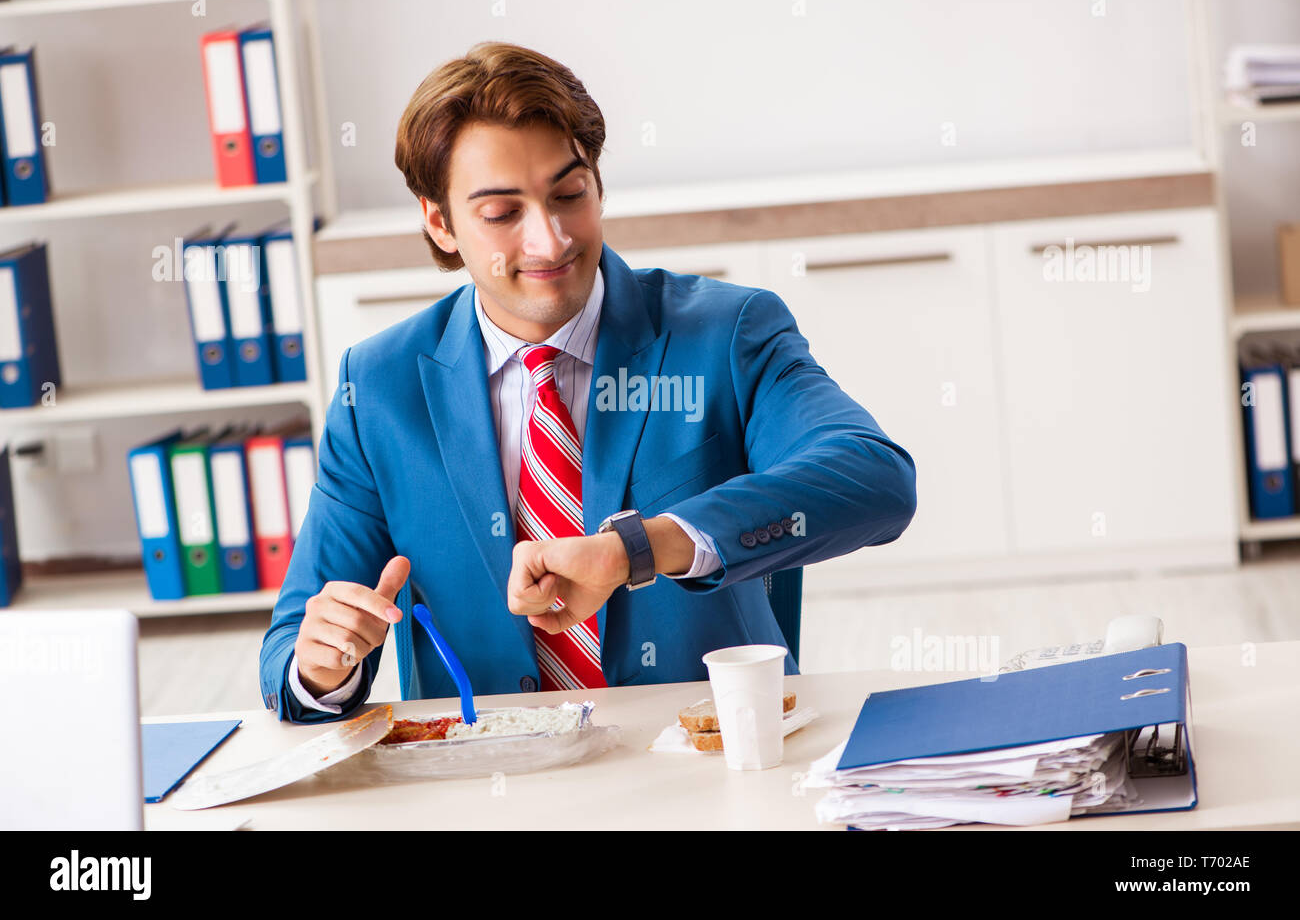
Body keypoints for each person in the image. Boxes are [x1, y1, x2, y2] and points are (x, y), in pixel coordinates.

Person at [258, 41, 917, 723]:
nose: (550, 240)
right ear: (440, 221)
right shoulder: (381, 389)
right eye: (501, 214)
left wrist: (638, 547)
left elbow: (877, 479)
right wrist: (320, 667)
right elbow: (286, 658)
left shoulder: (725, 333)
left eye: (568, 194)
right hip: (492, 785)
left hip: (704, 762)